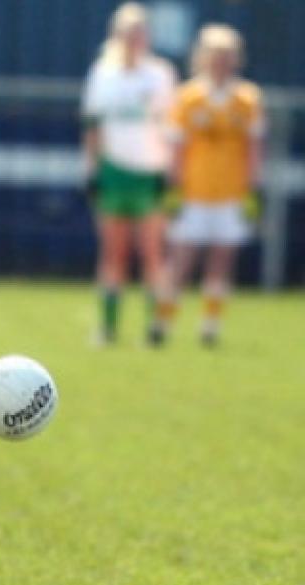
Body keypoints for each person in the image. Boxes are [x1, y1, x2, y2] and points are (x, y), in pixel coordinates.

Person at [81, 2, 178, 346]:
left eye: (140, 32)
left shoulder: (161, 74)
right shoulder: (102, 74)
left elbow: (171, 126)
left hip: (149, 172)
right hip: (114, 172)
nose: (135, 39)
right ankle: (108, 327)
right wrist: (91, 170)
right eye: (128, 32)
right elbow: (92, 127)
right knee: (113, 252)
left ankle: (157, 325)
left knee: (152, 251)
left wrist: (171, 171)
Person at [165, 24, 264, 347]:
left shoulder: (247, 99)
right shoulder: (188, 97)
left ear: (236, 60)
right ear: (202, 58)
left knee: (221, 261)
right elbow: (176, 149)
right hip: (194, 192)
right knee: (182, 260)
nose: (220, 62)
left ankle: (210, 325)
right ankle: (163, 323)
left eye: (227, 56)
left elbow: (254, 150)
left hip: (230, 194)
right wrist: (173, 189)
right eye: (215, 55)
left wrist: (252, 190)